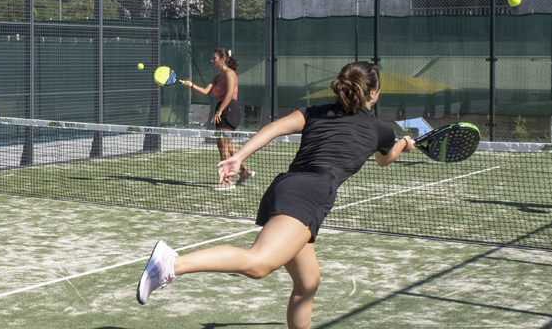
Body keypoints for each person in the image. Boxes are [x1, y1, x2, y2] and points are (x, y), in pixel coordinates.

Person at [137, 62, 415, 329]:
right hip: (312, 193)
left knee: (308, 283)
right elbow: (384, 159)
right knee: (259, 264)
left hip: (287, 185)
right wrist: (404, 143)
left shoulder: (315, 112)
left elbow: (273, 128)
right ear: (373, 93)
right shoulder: (381, 130)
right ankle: (172, 263)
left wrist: (240, 157)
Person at [183, 48, 253, 190]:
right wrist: (191, 85)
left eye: (214, 58)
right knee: (226, 145)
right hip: (222, 109)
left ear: (222, 59)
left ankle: (227, 181)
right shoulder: (216, 78)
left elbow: (228, 94)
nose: (211, 60)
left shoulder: (230, 73)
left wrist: (220, 111)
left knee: (222, 146)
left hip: (229, 109)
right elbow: (205, 92)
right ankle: (245, 171)